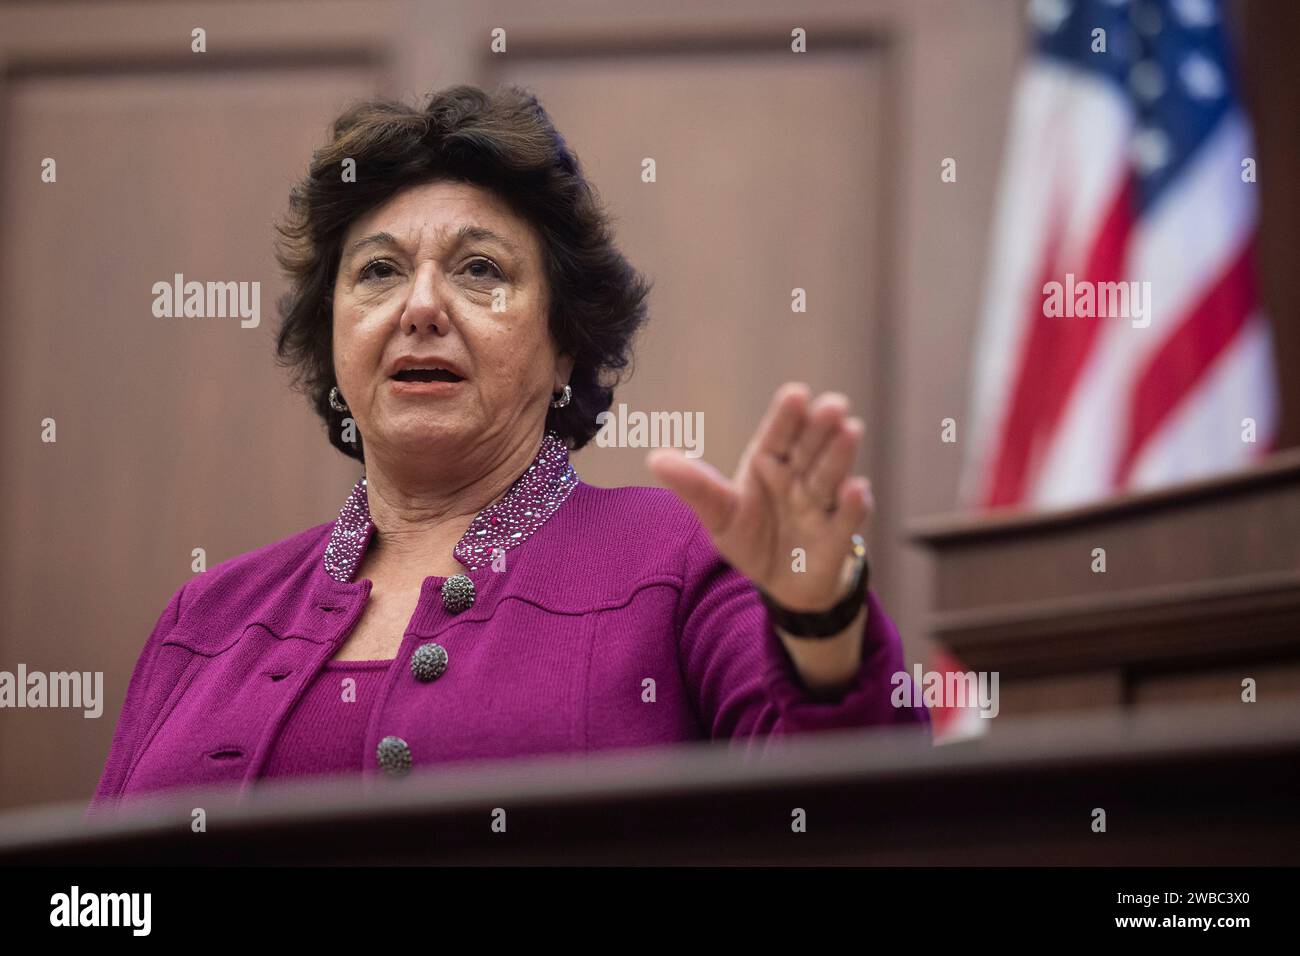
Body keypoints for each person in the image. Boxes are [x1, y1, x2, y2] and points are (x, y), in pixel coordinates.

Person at [90, 84, 928, 814]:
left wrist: (821, 620)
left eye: (480, 269)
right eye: (378, 272)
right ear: (332, 331)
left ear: (564, 341)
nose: (421, 307)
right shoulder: (204, 618)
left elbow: (851, 818)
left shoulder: (688, 560)